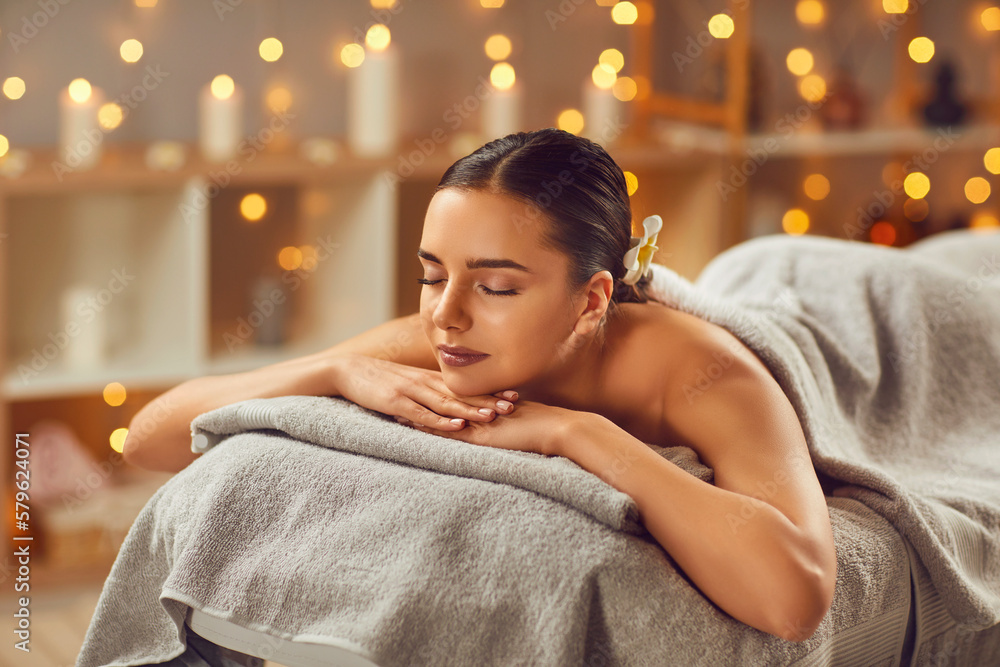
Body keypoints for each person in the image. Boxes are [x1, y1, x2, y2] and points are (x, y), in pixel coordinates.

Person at [123, 127, 837, 642]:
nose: (445, 312)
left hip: (826, 318)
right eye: (433, 273)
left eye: (495, 285)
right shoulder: (439, 336)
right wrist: (332, 368)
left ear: (593, 300)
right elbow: (151, 438)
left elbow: (795, 596)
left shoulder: (704, 374)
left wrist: (577, 432)